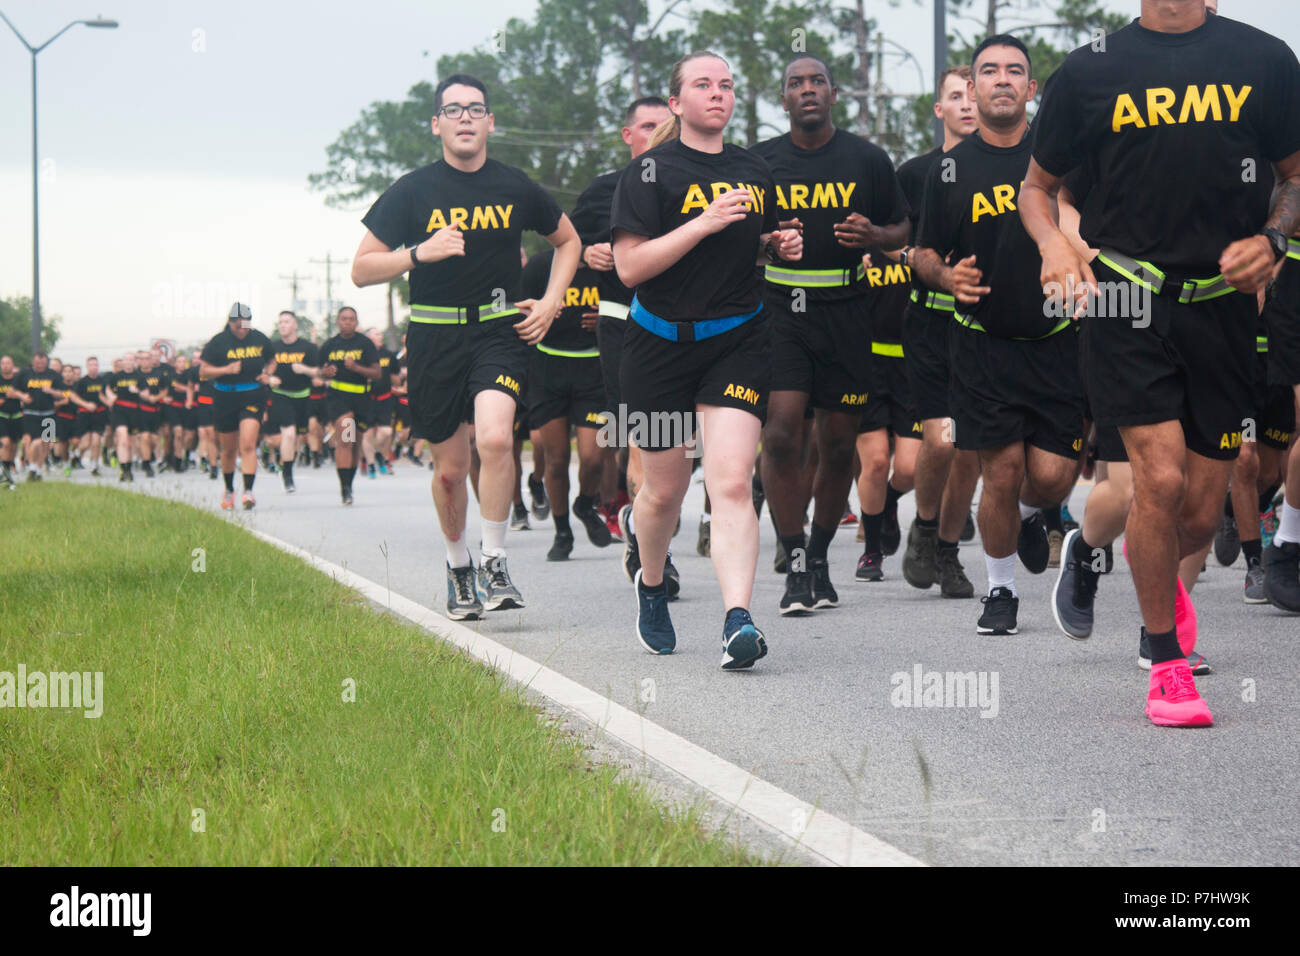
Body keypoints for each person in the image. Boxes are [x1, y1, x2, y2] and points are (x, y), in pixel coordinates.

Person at [1022, 0, 1300, 726]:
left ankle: (1117, 564)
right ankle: (1165, 662)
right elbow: (1036, 189)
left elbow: (1296, 177)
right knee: (1161, 477)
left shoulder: (1264, 58)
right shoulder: (1088, 69)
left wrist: (1273, 239)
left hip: (1223, 306)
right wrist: (1055, 246)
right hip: (1127, 299)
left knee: (1202, 513)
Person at [349, 72, 581, 619]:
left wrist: (550, 302)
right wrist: (418, 253)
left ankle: (494, 561)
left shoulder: (516, 186)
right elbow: (361, 269)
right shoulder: (413, 191)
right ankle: (458, 568)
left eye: (475, 109)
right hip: (433, 336)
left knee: (497, 439)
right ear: (437, 125)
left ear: (490, 122)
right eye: (453, 111)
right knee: (451, 469)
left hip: (499, 331)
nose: (465, 118)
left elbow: (569, 241)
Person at [610, 50, 801, 668]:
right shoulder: (648, 173)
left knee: (730, 482)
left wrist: (780, 243)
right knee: (664, 492)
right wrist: (702, 222)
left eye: (726, 85)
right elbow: (631, 266)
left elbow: (762, 242)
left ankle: (738, 620)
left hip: (737, 341)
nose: (717, 94)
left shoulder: (755, 169)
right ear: (676, 103)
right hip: (658, 344)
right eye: (702, 85)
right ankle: (652, 582)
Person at [912, 35, 1085, 636]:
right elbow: (923, 250)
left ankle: (1038, 516)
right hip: (982, 344)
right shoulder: (948, 170)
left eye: (1016, 71)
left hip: (1058, 342)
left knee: (1053, 477)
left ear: (1031, 90)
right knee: (1002, 469)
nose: (1003, 80)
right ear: (975, 87)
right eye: (990, 71)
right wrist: (943, 273)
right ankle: (1001, 590)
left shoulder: (1059, 159)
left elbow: (1091, 230)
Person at [751, 53, 910, 615]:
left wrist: (874, 232)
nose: (808, 89)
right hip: (781, 309)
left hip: (846, 308)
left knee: (840, 443)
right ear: (785, 98)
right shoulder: (761, 162)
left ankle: (819, 555)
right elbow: (741, 235)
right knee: (781, 433)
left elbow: (902, 226)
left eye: (817, 81)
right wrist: (769, 242)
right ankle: (793, 561)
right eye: (796, 83)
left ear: (833, 94)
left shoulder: (867, 159)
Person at [569, 96, 677, 584]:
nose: (656, 133)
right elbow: (566, 246)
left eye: (664, 126)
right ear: (628, 135)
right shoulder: (603, 190)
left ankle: (644, 524)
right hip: (623, 323)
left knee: (680, 448)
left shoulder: (688, 184)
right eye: (648, 125)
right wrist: (585, 253)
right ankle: (653, 554)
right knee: (642, 439)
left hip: (688, 325)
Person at [895, 66, 982, 598]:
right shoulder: (915, 173)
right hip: (929, 318)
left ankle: (947, 551)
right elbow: (889, 238)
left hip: (985, 321)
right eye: (957, 96)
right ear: (940, 109)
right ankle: (924, 526)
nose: (968, 104)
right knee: (942, 438)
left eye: (974, 95)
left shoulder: (1015, 167)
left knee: (970, 446)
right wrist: (912, 257)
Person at [520, 246, 613, 558]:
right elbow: (514, 308)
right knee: (556, 459)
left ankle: (585, 504)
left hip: (594, 370)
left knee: (593, 458)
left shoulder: (610, 263)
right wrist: (536, 312)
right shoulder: (541, 264)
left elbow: (634, 306)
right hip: (548, 369)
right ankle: (562, 532)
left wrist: (606, 318)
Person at [293, 307, 380, 504]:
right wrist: (326, 373)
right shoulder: (330, 345)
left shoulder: (365, 344)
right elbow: (320, 372)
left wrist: (356, 367)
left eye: (351, 319)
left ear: (356, 322)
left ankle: (349, 483)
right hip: (338, 397)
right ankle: (345, 489)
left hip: (362, 398)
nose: (347, 322)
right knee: (346, 435)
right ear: (338, 322)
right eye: (344, 319)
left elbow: (377, 373)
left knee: (356, 444)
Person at [199, 303, 276, 509]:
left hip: (253, 395)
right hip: (225, 396)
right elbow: (204, 372)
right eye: (238, 326)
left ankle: (248, 492)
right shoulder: (218, 342)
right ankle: (229, 489)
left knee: (248, 444)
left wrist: (267, 373)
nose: (242, 330)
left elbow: (272, 359)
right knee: (229, 449)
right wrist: (226, 369)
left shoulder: (259, 338)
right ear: (230, 322)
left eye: (246, 325)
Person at [267, 311, 318, 493]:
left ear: (295, 325)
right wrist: (269, 378)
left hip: (303, 396)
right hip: (280, 395)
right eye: (280, 322)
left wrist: (305, 369)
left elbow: (319, 373)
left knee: (297, 438)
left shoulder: (308, 348)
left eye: (287, 322)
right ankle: (288, 476)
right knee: (288, 433)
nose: (283, 325)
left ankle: (283, 461)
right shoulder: (272, 348)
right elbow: (262, 371)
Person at [12, 351, 61, 482]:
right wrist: (22, 396)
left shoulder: (53, 375)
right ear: (33, 361)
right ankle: (32, 467)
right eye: (37, 363)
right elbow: (13, 390)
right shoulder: (24, 374)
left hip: (49, 414)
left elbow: (62, 394)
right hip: (30, 413)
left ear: (46, 362)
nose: (40, 365)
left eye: (43, 363)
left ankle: (37, 470)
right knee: (33, 442)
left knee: (46, 444)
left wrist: (51, 391)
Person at [0, 355, 22, 486]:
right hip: (2, 416)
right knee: (5, 443)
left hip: (17, 416)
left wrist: (17, 395)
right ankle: (4, 470)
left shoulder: (18, 381)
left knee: (13, 447)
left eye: (8, 363)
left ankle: (7, 470)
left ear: (12, 365)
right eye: (3, 363)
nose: (5, 365)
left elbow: (26, 396)